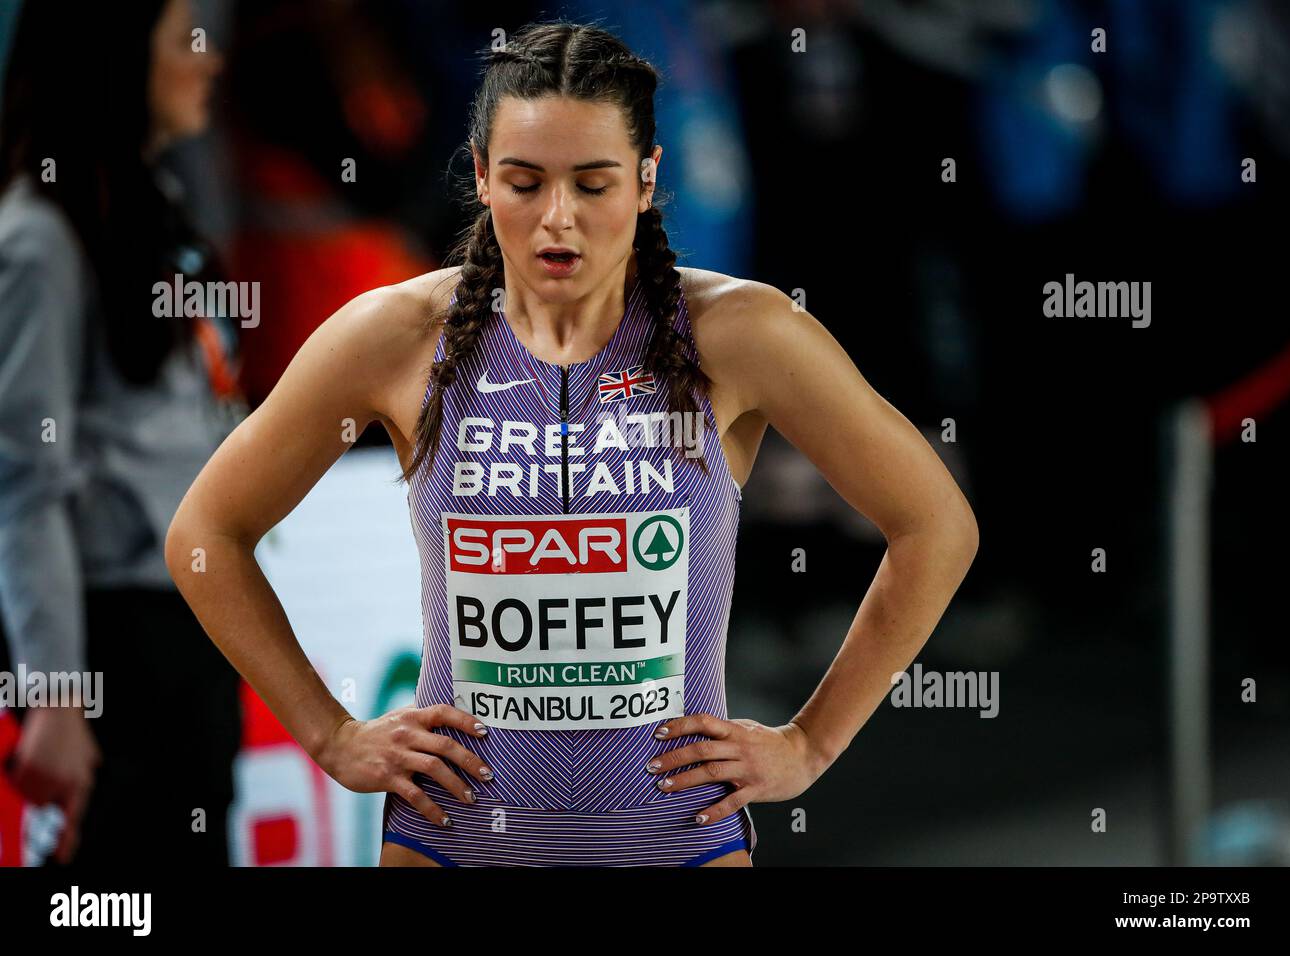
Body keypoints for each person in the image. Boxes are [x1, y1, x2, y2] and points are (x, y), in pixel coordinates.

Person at [167, 21, 979, 867]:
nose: (559, 220)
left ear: (646, 178)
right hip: (456, 843)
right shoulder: (396, 336)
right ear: (480, 176)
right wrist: (330, 735)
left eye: (594, 185)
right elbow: (204, 537)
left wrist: (812, 744)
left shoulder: (742, 333)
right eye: (525, 182)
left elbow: (935, 526)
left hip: (675, 844)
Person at [0, 0, 242, 864]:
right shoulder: (38, 239)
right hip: (117, 650)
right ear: (113, 61)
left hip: (191, 630)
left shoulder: (153, 204)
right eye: (186, 40)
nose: (209, 61)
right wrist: (58, 698)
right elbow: (27, 489)